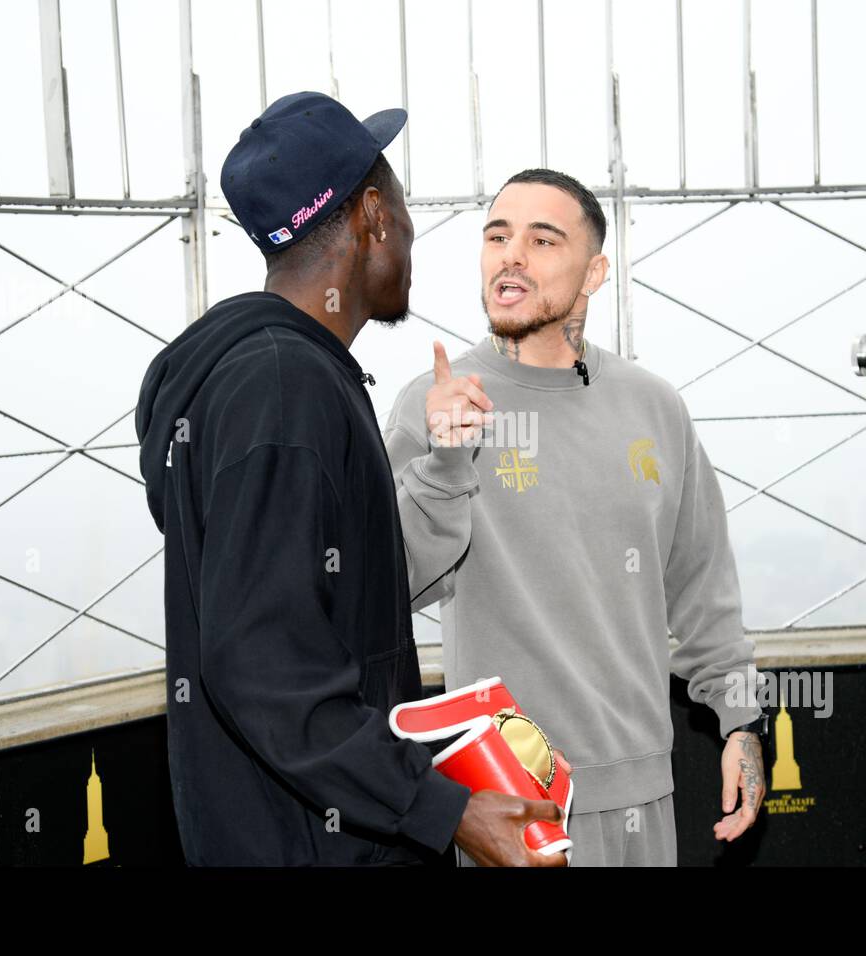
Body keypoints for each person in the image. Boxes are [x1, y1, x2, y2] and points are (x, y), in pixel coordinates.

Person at [135, 92, 565, 866]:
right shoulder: (281, 387)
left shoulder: (264, 375)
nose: (407, 232)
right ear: (371, 215)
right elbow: (266, 665)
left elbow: (313, 614)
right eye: (401, 209)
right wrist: (439, 807)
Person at [383, 168, 769, 867]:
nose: (512, 255)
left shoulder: (654, 406)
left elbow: (702, 585)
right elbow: (391, 586)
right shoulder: (436, 404)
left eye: (542, 239)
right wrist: (444, 463)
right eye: (497, 236)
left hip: (644, 790)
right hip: (509, 800)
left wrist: (741, 720)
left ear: (595, 272)